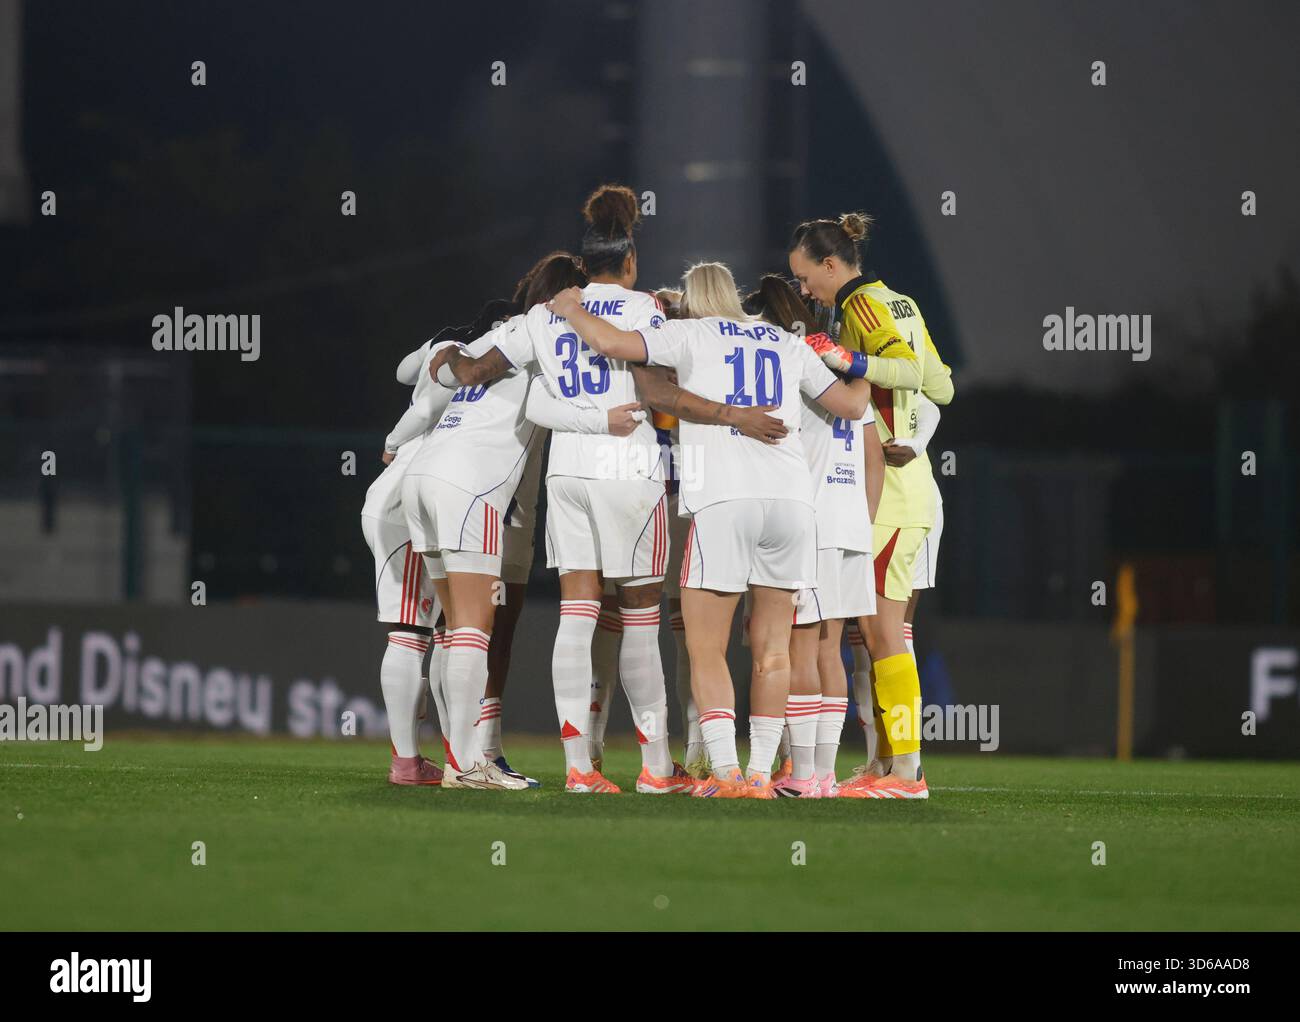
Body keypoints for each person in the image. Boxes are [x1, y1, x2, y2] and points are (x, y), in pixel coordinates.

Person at [443, 187, 787, 793]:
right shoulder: (645, 312)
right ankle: (656, 768)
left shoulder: (544, 313)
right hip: (629, 474)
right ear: (629, 262)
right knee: (639, 619)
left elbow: (473, 372)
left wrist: (441, 353)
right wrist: (733, 414)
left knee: (575, 617)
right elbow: (658, 397)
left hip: (567, 476)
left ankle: (578, 769)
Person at [549, 260, 871, 799]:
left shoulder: (689, 333)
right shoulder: (784, 341)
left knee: (706, 648)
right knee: (773, 651)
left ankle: (724, 773)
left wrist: (572, 310)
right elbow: (852, 404)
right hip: (793, 503)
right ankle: (763, 776)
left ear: (694, 300)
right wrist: (860, 361)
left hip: (724, 501)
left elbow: (609, 343)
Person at [788, 213, 953, 798]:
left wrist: (842, 359)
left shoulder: (858, 307)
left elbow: (904, 371)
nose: (806, 291)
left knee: (883, 636)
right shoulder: (901, 302)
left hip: (890, 495)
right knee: (876, 635)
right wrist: (915, 437)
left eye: (807, 278)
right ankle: (885, 764)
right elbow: (943, 385)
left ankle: (906, 771)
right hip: (908, 485)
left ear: (832, 266)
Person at [745, 275, 885, 798]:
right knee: (832, 655)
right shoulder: (848, 381)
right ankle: (823, 774)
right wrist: (862, 524)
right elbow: (874, 463)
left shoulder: (793, 374)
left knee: (802, 653)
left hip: (813, 526)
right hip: (851, 526)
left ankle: (802, 775)